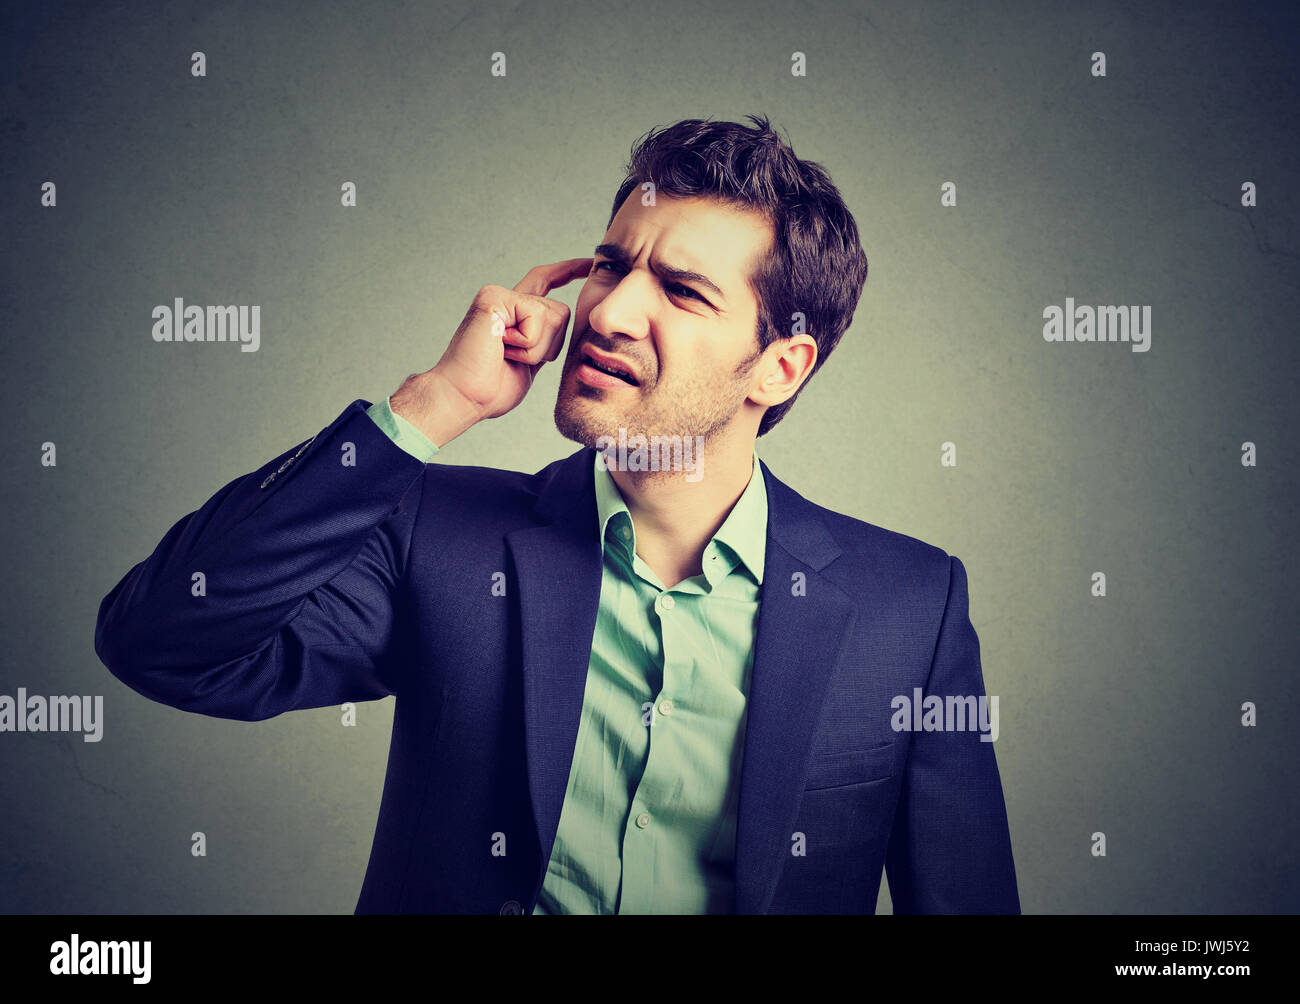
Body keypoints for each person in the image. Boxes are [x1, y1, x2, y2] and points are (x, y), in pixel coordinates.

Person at [95, 115, 1019, 914]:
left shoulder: (913, 608)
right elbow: (162, 640)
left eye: (683, 291)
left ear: (781, 366)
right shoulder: (440, 538)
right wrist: (432, 406)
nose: (609, 312)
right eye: (611, 266)